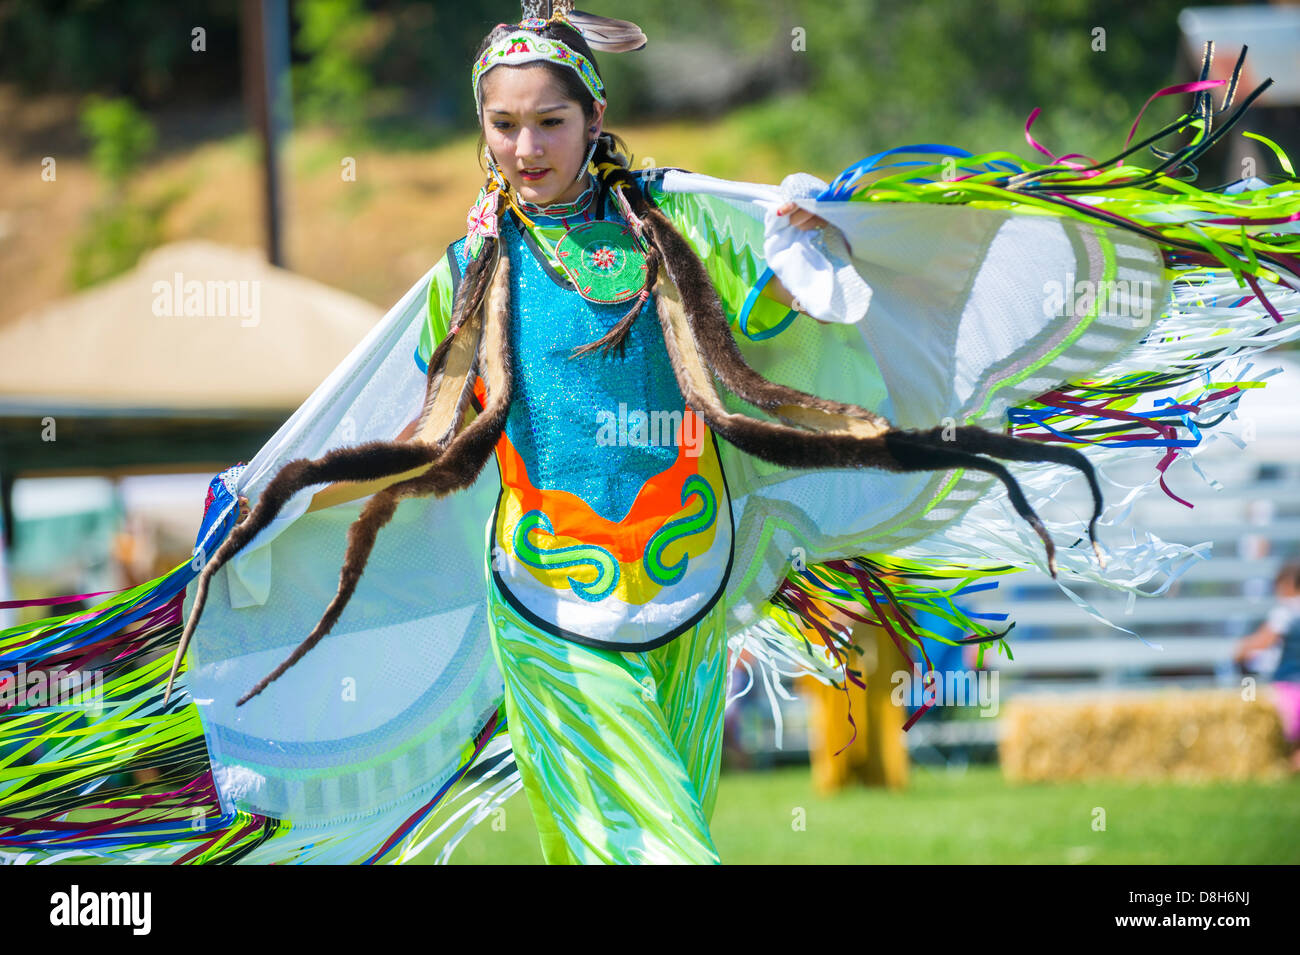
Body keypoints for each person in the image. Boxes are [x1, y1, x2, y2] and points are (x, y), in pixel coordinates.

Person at [2, 4, 1299, 865]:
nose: (522, 147)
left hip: (683, 592)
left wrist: (808, 240)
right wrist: (289, 493)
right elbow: (419, 415)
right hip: (549, 604)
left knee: (639, 832)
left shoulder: (684, 219)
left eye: (546, 123)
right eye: (501, 127)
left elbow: (788, 319)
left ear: (591, 119)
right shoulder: (473, 260)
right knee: (653, 848)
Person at [1233, 560, 1300, 772]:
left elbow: (1262, 642)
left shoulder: (1286, 612)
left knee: (1248, 692)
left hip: (1290, 685)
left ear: (1288, 584)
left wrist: (1240, 651)